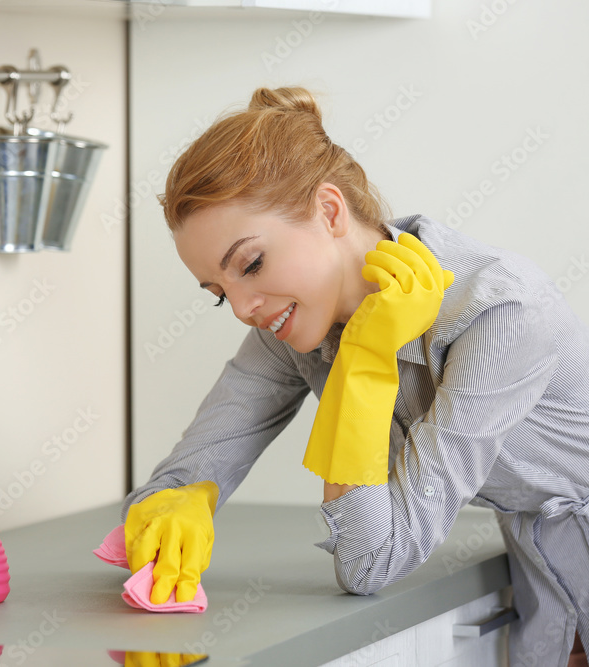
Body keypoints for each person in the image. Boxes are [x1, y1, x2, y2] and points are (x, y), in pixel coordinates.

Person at [121, 86, 589, 667]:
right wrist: (179, 497)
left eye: (252, 265)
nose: (243, 307)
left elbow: (372, 563)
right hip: (551, 575)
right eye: (220, 294)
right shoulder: (291, 328)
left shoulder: (500, 314)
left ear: (330, 211)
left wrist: (365, 365)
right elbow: (184, 473)